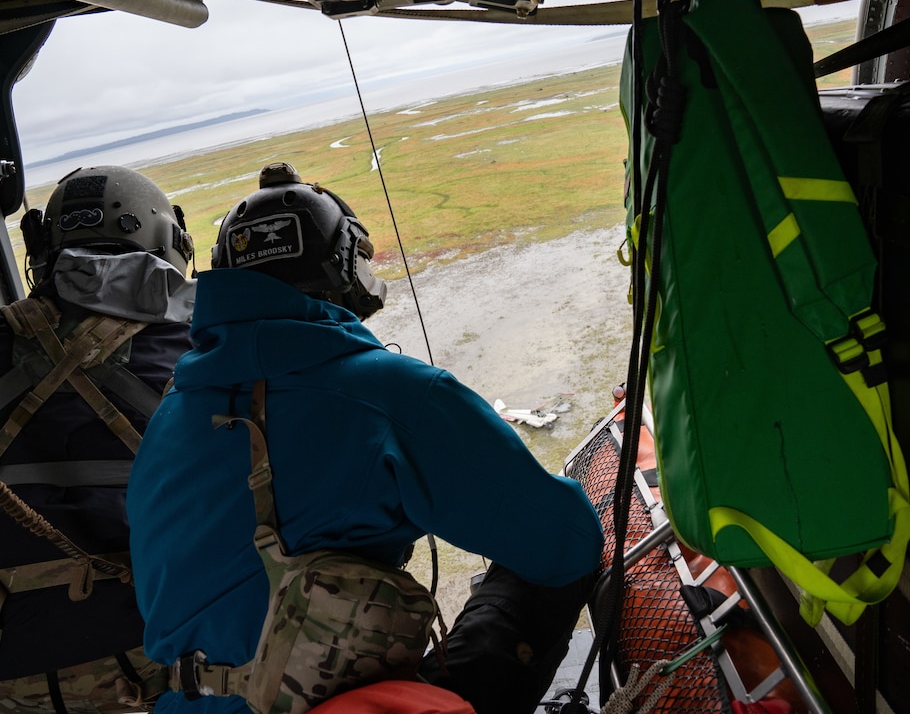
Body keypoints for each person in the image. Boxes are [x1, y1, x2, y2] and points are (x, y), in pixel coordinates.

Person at [127, 162, 604, 714]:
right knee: (555, 557)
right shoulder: (384, 392)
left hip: (183, 706)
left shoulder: (171, 408)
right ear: (345, 267)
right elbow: (564, 541)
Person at [0, 165, 197, 713]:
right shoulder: (197, 346)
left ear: (41, 245)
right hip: (158, 651)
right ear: (169, 243)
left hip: (4, 667)